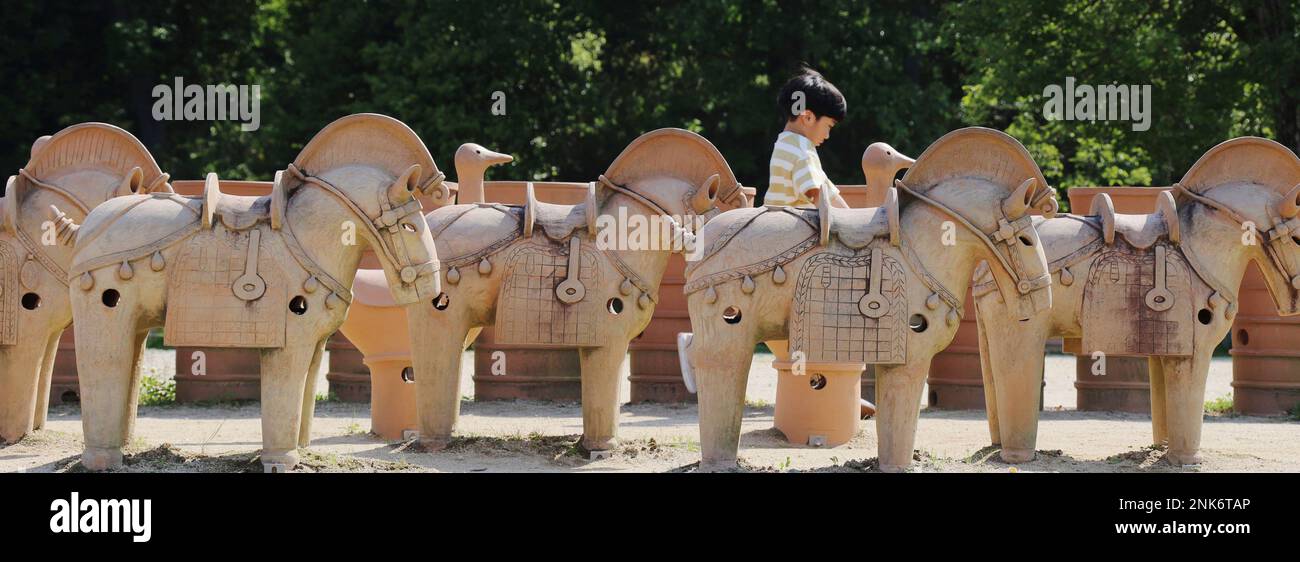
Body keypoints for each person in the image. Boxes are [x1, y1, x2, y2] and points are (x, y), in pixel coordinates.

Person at [764, 67, 850, 209]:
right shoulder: (803, 151)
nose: (827, 135)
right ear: (808, 117)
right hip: (797, 228)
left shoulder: (783, 143)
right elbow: (818, 196)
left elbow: (826, 190)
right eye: (829, 126)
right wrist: (850, 227)